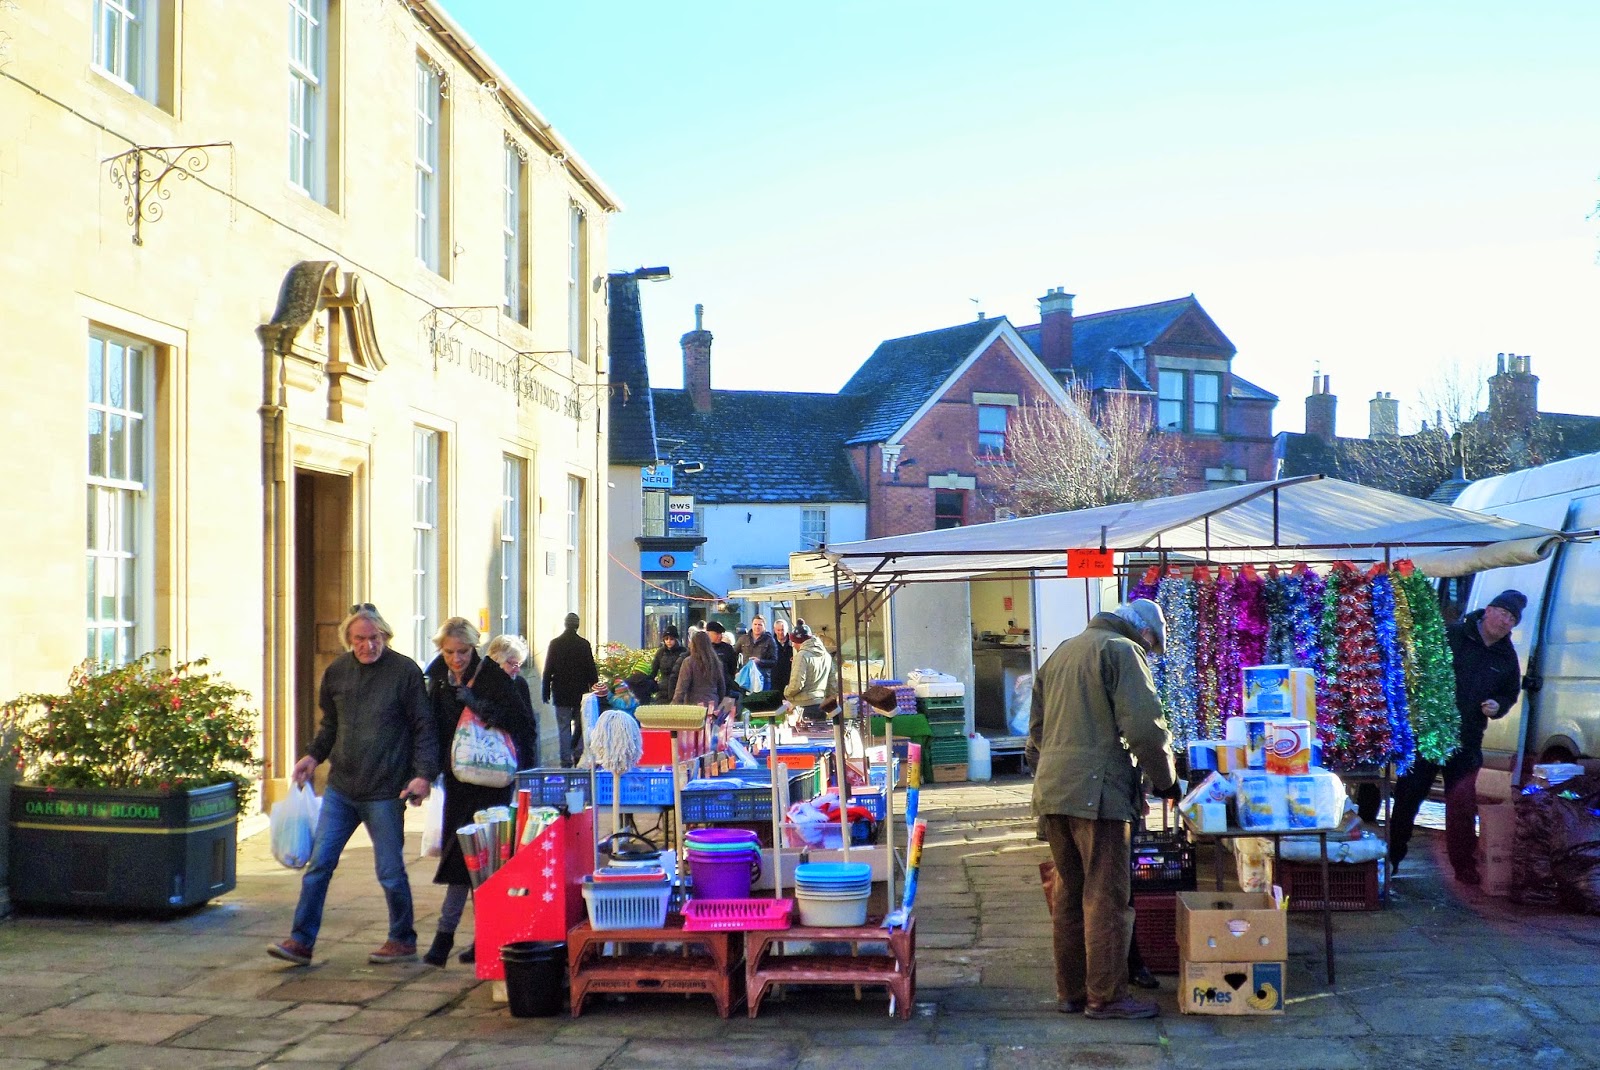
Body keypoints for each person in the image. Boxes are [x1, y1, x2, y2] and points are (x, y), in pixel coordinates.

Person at [1027, 598, 1178, 1020]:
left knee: (1069, 894)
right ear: (1145, 634)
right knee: (1106, 897)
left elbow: (1035, 731)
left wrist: (1052, 774)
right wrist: (1167, 781)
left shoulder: (1062, 651)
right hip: (1099, 794)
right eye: (1152, 647)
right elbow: (1145, 727)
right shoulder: (1123, 651)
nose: (1150, 653)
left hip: (1053, 790)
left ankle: (1072, 992)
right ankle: (1106, 997)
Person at [268, 604, 437, 967]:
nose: (367, 645)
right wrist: (313, 756)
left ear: (385, 636)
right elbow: (331, 724)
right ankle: (300, 941)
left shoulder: (404, 672)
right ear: (348, 639)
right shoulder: (337, 672)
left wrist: (423, 774)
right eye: (359, 639)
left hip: (385, 789)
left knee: (390, 871)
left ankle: (402, 939)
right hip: (342, 788)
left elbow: (424, 726)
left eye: (374, 638)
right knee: (319, 865)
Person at [1388, 589, 1525, 884]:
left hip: (1467, 738)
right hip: (1429, 733)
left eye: (1512, 619)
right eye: (1503, 613)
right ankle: (1391, 858)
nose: (1506, 621)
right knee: (1408, 797)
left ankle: (1464, 868)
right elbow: (1416, 667)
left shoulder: (1506, 656)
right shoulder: (1452, 635)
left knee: (1462, 806)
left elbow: (1510, 692)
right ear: (1488, 610)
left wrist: (1498, 705)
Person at [421, 618, 537, 968]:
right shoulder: (437, 679)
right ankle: (450, 938)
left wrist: (476, 703)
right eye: (449, 652)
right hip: (458, 782)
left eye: (463, 651)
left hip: (491, 783)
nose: (456, 659)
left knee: (485, 861)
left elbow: (524, 725)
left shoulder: (492, 678)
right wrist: (425, 774)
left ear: (474, 647)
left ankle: (474, 937)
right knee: (459, 857)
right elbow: (431, 728)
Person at [542, 613, 599, 767]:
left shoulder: (555, 643)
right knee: (581, 726)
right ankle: (578, 755)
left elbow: (548, 668)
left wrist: (545, 690)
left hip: (561, 693)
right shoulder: (583, 644)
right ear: (577, 625)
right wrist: (595, 689)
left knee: (563, 728)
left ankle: (565, 760)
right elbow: (591, 669)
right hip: (580, 693)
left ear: (565, 624)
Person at [486, 634, 538, 761]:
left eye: (519, 664)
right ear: (496, 660)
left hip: (517, 757)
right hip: (489, 757)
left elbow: (529, 724)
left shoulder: (520, 684)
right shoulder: (482, 685)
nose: (517, 670)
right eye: (513, 664)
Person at [782, 619, 833, 722]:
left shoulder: (801, 656)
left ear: (800, 641)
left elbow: (796, 685)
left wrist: (786, 693)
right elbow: (832, 683)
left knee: (804, 733)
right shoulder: (826, 655)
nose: (793, 645)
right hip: (821, 705)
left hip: (804, 708)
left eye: (794, 642)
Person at [674, 630, 730, 708]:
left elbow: (681, 687)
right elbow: (722, 688)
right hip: (712, 703)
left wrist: (675, 705)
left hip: (693, 705)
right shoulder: (716, 662)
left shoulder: (689, 662)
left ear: (693, 645)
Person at [736, 615, 779, 689]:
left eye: (760, 625)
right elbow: (733, 655)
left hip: (763, 679)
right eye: (755, 624)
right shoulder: (743, 639)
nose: (757, 627)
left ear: (764, 626)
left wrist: (760, 661)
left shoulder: (769, 640)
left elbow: (774, 661)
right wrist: (736, 671)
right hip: (746, 679)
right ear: (752, 625)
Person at [646, 626, 686, 704]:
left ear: (676, 639)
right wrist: (653, 685)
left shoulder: (683, 652)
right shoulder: (660, 652)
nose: (668, 641)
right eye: (666, 639)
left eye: (671, 639)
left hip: (677, 688)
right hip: (662, 689)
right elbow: (653, 671)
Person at [704, 621, 740, 691]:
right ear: (708, 633)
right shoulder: (702, 647)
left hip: (724, 686)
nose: (720, 636)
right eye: (717, 634)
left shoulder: (727, 648)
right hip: (706, 688)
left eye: (721, 634)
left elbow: (732, 668)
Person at [770, 618, 794, 693]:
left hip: (790, 680)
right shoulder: (770, 644)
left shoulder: (793, 644)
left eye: (783, 630)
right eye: (778, 630)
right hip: (775, 682)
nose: (781, 632)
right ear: (774, 630)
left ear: (787, 629)